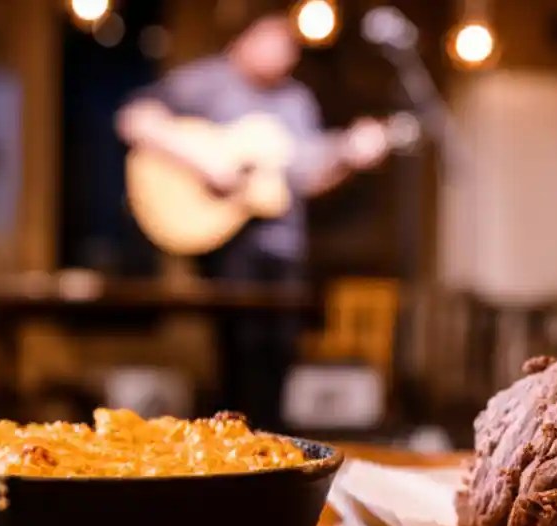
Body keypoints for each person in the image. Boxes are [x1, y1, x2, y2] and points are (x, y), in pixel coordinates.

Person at [116, 13, 391, 429]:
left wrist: (350, 158)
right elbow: (135, 119)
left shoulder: (296, 100)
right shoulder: (206, 81)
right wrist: (205, 161)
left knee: (280, 355)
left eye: (290, 46)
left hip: (284, 246)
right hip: (231, 244)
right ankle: (230, 447)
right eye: (273, 39)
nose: (283, 52)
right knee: (237, 354)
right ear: (244, 38)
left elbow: (306, 177)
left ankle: (270, 446)